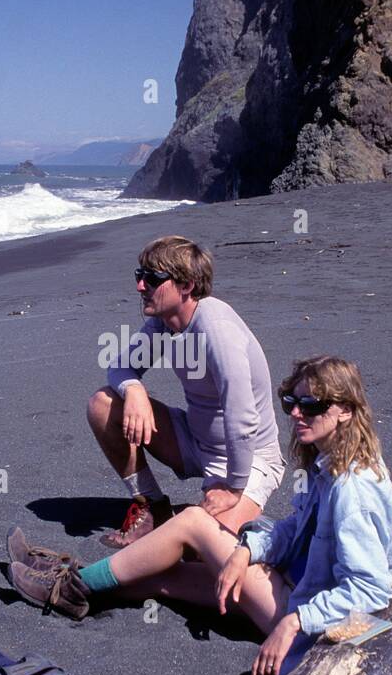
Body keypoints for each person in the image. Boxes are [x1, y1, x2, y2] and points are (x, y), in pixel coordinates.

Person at [7, 355, 392, 675]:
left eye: (312, 405)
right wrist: (247, 551)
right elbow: (293, 530)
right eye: (291, 402)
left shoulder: (354, 489)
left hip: (305, 614)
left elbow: (371, 590)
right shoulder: (328, 466)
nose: (297, 414)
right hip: (296, 582)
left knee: (194, 521)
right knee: (167, 578)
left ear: (346, 411)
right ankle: (74, 586)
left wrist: (295, 622)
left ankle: (69, 586)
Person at [88, 235, 285, 548]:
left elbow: (243, 418)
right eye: (140, 276)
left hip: (248, 458)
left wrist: (233, 487)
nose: (141, 287)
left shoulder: (217, 329)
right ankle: (152, 506)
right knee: (103, 403)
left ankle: (203, 521)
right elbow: (119, 368)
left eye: (152, 279)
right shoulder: (166, 322)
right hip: (194, 442)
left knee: (205, 548)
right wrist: (135, 389)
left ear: (187, 285)